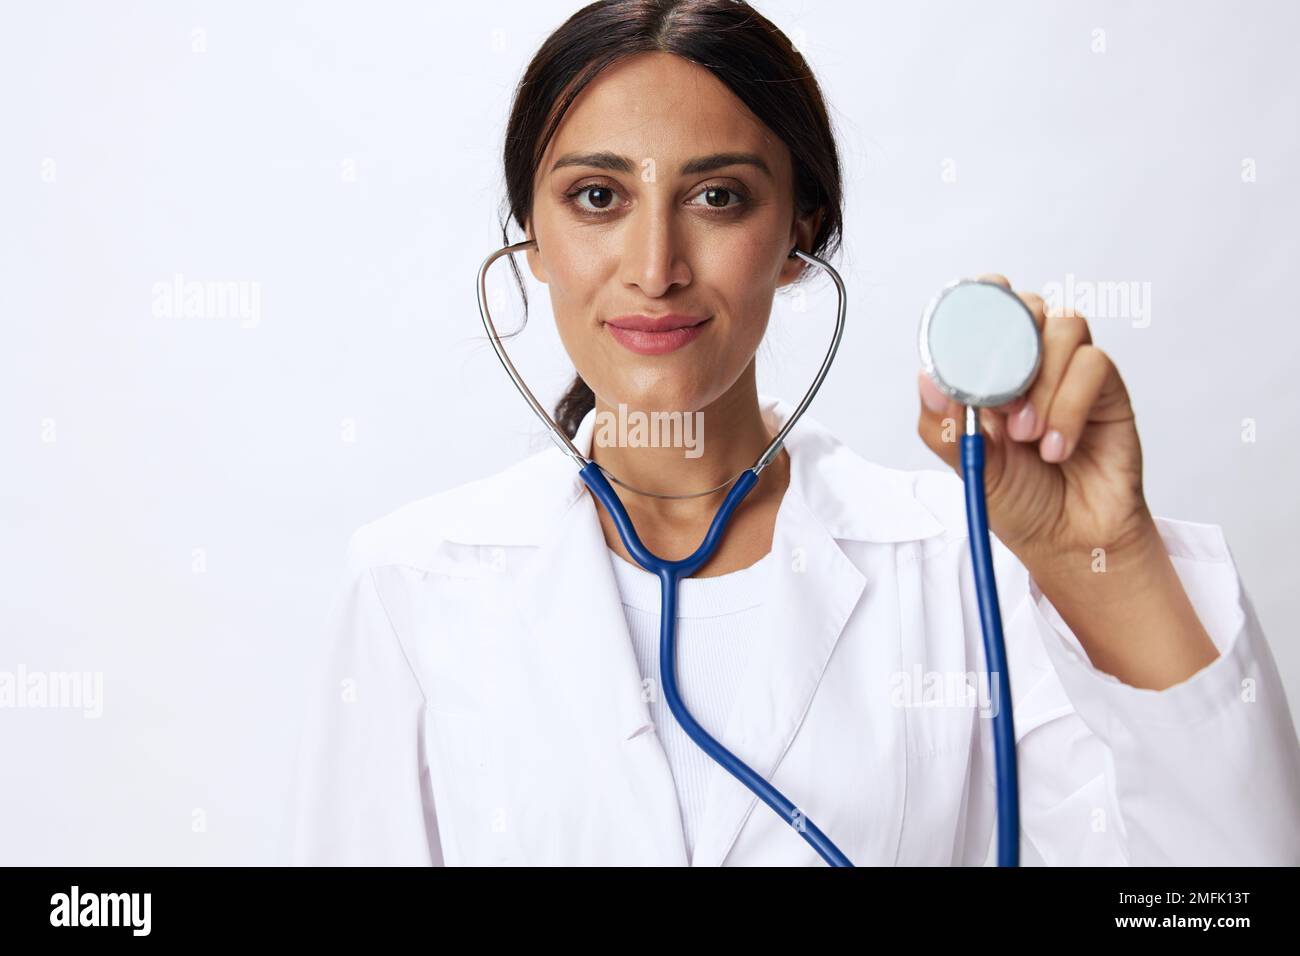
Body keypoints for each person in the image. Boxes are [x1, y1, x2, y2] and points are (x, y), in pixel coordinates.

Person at [281, 0, 1300, 866]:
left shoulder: (965, 567)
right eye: (597, 197)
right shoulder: (412, 585)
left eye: (717, 197)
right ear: (533, 237)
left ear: (798, 233)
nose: (655, 266)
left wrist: (1106, 559)